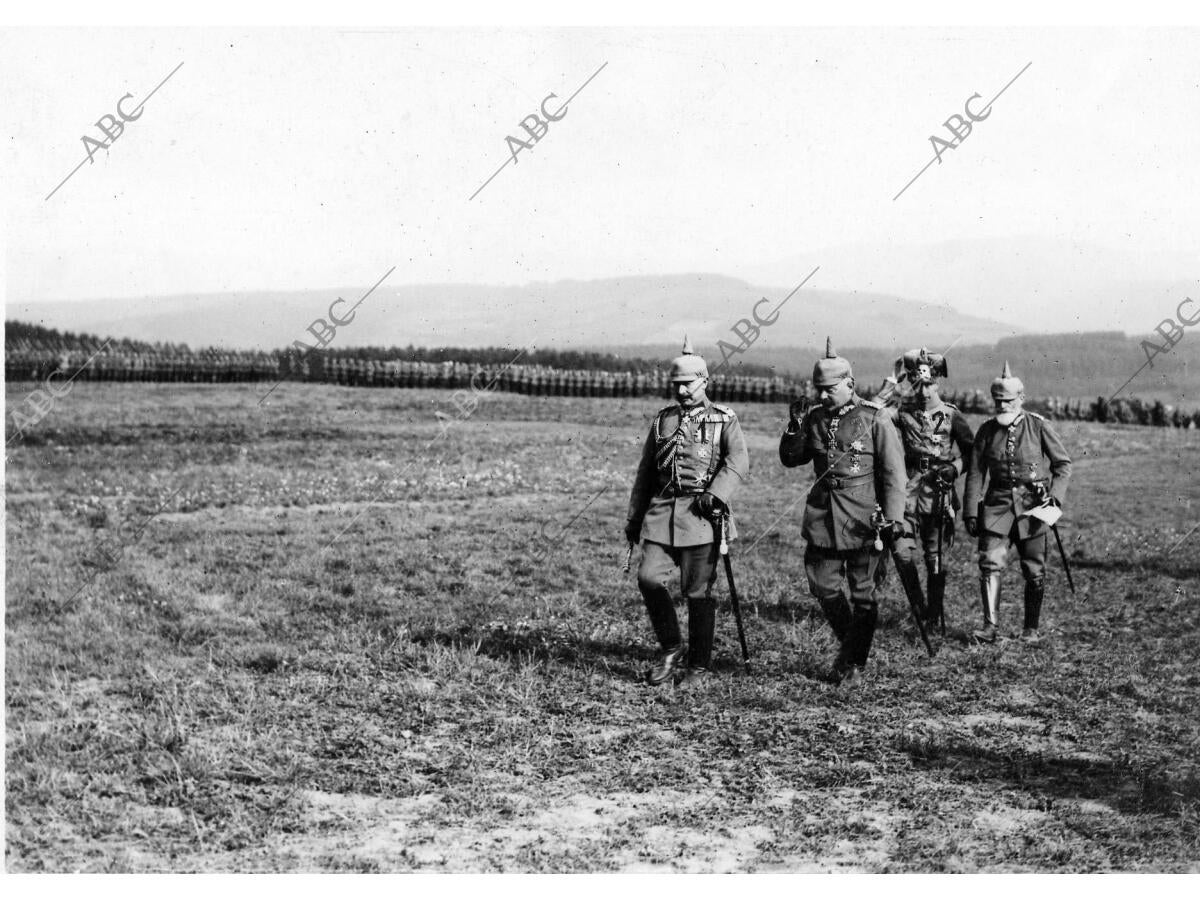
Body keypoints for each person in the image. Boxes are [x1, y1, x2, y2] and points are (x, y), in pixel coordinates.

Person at [779, 339, 907, 686]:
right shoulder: (817, 418)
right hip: (823, 517)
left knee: (863, 592)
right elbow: (792, 458)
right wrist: (794, 425)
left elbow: (895, 474)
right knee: (822, 586)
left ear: (849, 383)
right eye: (818, 389)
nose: (822, 396)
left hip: (863, 518)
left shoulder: (874, 418)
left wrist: (895, 519)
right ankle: (853, 650)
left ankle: (851, 662)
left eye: (829, 389)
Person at [626, 338, 749, 688]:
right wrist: (635, 517)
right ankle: (670, 648)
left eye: (688, 384)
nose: (681, 390)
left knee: (698, 593)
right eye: (676, 384)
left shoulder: (723, 419)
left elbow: (738, 461)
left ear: (705, 382)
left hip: (701, 516)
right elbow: (646, 472)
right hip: (662, 514)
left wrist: (716, 494)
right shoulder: (663, 420)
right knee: (648, 578)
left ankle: (698, 665)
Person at [964, 362, 1072, 643]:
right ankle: (989, 627)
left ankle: (1031, 629)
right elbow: (976, 472)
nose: (1002, 406)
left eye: (1008, 401)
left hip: (1034, 505)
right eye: (998, 401)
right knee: (990, 563)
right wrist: (970, 512)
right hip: (997, 505)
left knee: (1034, 567)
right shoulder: (986, 431)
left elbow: (1062, 464)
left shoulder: (1037, 426)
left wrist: (1055, 500)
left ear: (1021, 399)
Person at [872, 348, 975, 631]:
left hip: (938, 491)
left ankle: (933, 614)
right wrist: (890, 384)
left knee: (935, 557)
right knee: (902, 552)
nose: (924, 391)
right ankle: (918, 608)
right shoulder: (900, 412)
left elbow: (971, 452)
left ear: (938, 382)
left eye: (929, 384)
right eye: (917, 384)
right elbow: (871, 415)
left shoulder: (952, 415)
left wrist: (954, 468)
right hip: (907, 490)